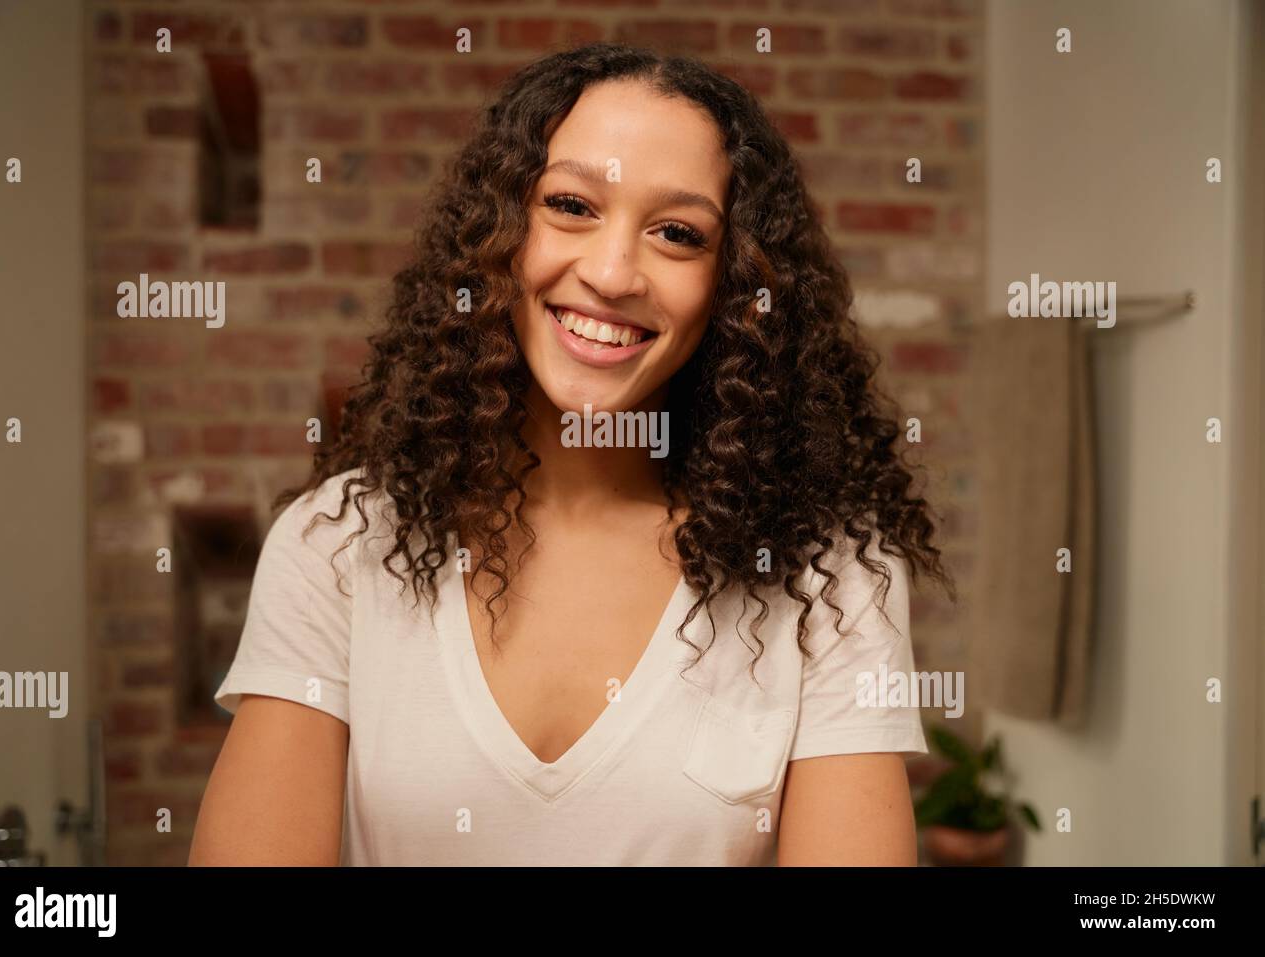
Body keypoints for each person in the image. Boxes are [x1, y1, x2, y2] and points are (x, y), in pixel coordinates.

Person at [190, 42, 953, 867]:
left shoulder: (830, 578)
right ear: (499, 236)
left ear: (732, 284)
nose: (614, 272)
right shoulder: (337, 545)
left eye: (677, 233)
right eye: (572, 206)